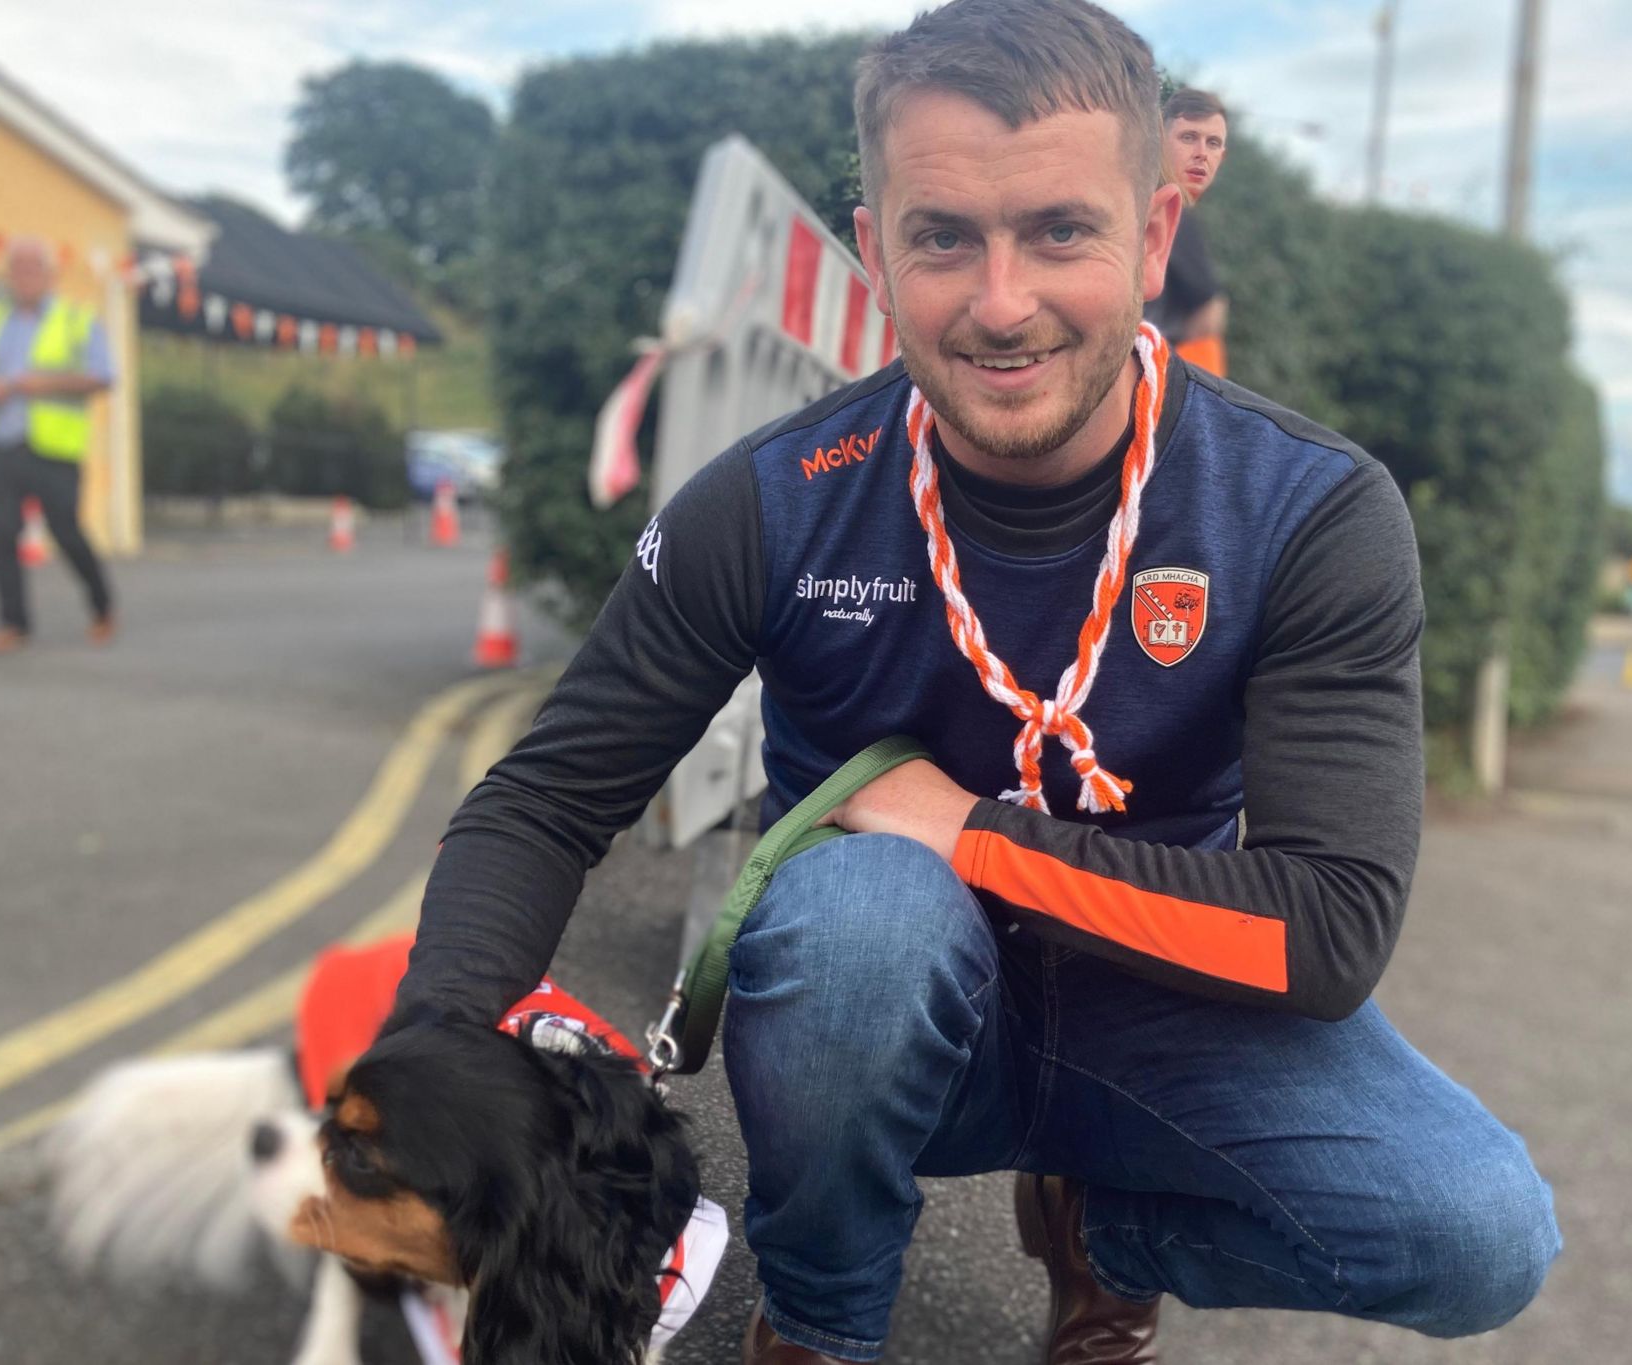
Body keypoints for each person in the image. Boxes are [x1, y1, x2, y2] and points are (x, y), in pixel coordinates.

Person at [388, 2, 1560, 1361]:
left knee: (1478, 1233)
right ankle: (819, 1321)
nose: (1002, 305)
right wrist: (434, 1056)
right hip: (879, 1006)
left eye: (1060, 231)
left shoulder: (1309, 510)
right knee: (861, 924)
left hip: (1164, 1009)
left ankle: (1103, 1233)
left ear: (1155, 238)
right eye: (943, 238)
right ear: (875, 251)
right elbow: (543, 802)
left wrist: (970, 835)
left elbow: (1328, 936)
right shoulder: (771, 502)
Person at [0, 237, 117, 653]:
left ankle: (102, 606)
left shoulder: (77, 320)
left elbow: (103, 376)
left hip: (53, 448)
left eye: (33, 268)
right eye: (17, 268)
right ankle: (13, 623)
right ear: (8, 276)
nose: (24, 276)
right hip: (1, 441)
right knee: (3, 534)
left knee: (65, 531)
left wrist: (41, 384)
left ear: (50, 275)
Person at [1142, 86, 1230, 377]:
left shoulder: (1144, 198)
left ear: (1222, 158)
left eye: (1213, 143)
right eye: (1188, 137)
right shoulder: (1167, 207)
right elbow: (1209, 312)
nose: (1201, 154)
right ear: (1159, 141)